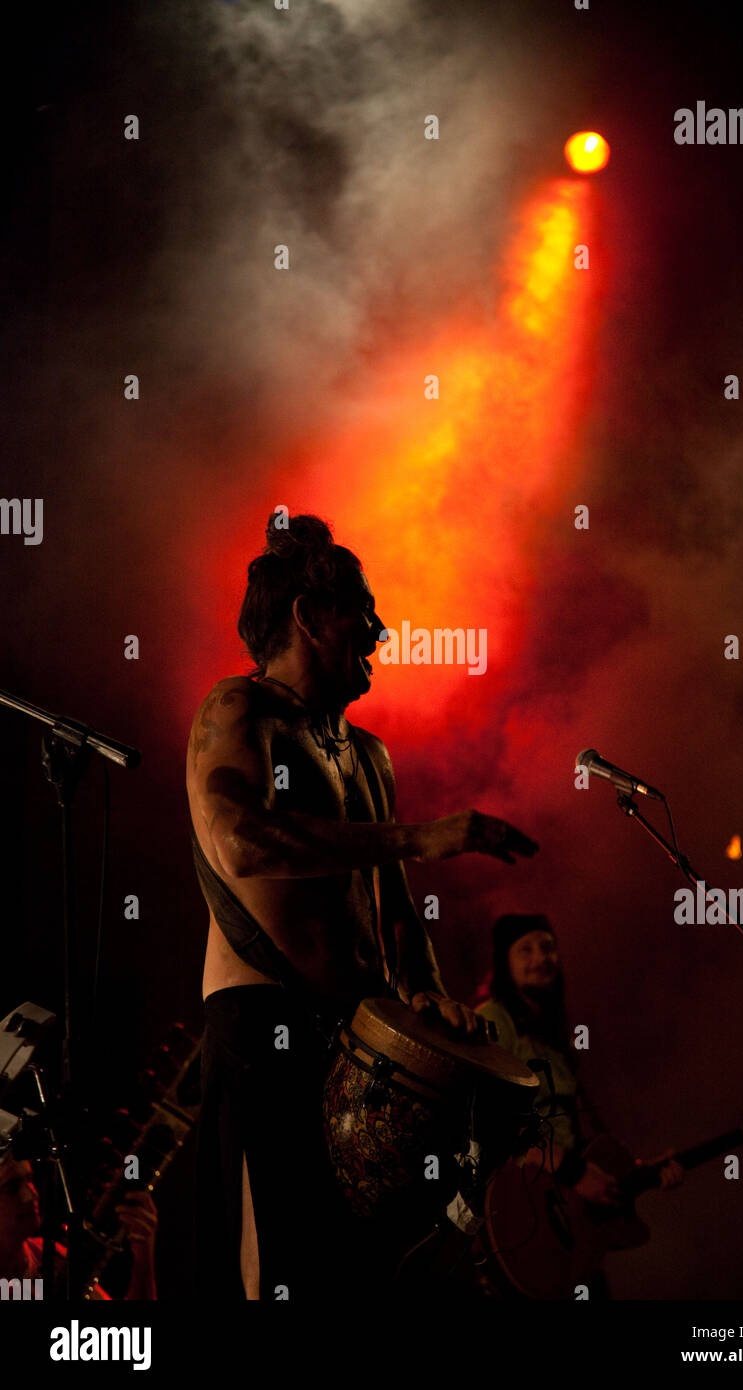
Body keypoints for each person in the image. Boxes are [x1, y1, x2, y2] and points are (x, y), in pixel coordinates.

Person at [186, 513, 538, 1301]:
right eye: (363, 610)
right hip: (260, 1021)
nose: (379, 630)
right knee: (267, 1265)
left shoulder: (369, 752)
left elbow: (396, 909)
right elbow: (239, 842)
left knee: (356, 1270)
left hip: (353, 1039)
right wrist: (419, 836)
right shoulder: (237, 710)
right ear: (309, 617)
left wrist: (431, 998)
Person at [475, 914, 684, 1294]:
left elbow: (572, 1134)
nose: (541, 957)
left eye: (548, 947)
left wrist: (638, 1173)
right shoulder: (492, 1020)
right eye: (526, 949)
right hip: (512, 1216)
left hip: (563, 1227)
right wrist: (571, 1170)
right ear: (503, 964)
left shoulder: (557, 1040)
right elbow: (487, 1117)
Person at [0, 1151, 158, 1299]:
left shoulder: (51, 1257)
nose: (32, 1195)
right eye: (12, 1188)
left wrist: (143, 1251)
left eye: (29, 1180)